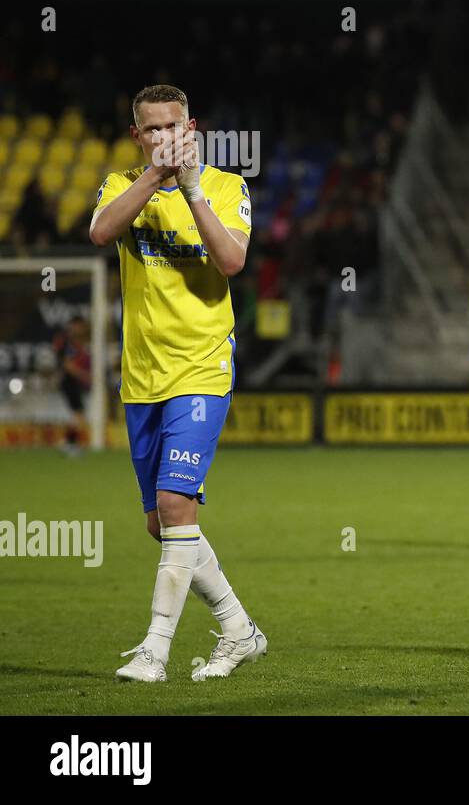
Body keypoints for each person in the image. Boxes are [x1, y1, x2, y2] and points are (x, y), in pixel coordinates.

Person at [89, 84, 264, 683]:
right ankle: (239, 629)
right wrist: (154, 181)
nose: (166, 137)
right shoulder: (119, 186)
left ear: (193, 128)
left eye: (175, 127)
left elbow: (232, 261)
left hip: (202, 367)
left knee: (173, 503)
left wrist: (189, 190)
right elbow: (100, 232)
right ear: (137, 135)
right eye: (154, 129)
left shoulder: (224, 185)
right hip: (142, 377)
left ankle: (155, 650)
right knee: (161, 522)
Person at [53, 315, 92, 456]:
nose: (81, 329)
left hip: (73, 381)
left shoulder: (76, 341)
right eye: (79, 325)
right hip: (68, 380)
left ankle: (69, 443)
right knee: (78, 413)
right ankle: (68, 444)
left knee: (78, 414)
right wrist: (84, 376)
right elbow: (67, 365)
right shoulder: (66, 341)